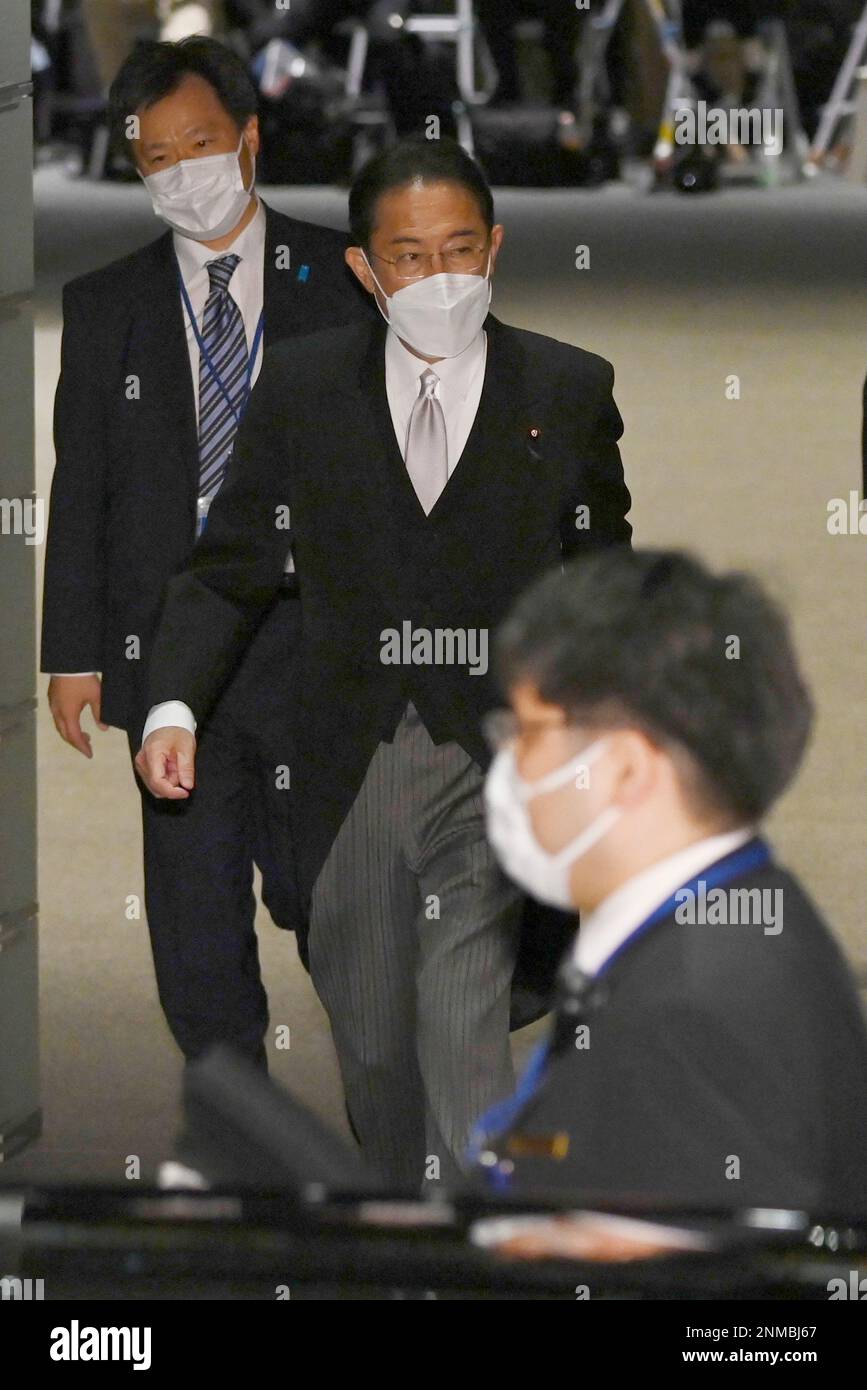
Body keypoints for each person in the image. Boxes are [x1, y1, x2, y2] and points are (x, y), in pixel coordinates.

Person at [135, 135, 632, 1188]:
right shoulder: (303, 393)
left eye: (460, 249)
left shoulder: (571, 390)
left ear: (495, 247)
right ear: (365, 268)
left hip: (495, 763)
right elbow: (229, 566)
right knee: (373, 1046)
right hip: (346, 761)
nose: (437, 277)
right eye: (408, 256)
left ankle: (486, 1250)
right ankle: (407, 1232)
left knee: (462, 1023)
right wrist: (174, 700)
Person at [40, 36, 372, 1072]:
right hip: (169, 645)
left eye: (202, 145)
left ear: (252, 140)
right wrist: (73, 650)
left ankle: (397, 1130)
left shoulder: (343, 278)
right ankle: (239, 1135)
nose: (183, 174)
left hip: (315, 643)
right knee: (193, 922)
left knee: (336, 904)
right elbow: (81, 483)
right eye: (155, 159)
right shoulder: (108, 308)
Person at [468, 547, 867, 1212]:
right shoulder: (727, 927)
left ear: (625, 769)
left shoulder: (693, 1016)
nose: (507, 763)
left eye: (528, 732)